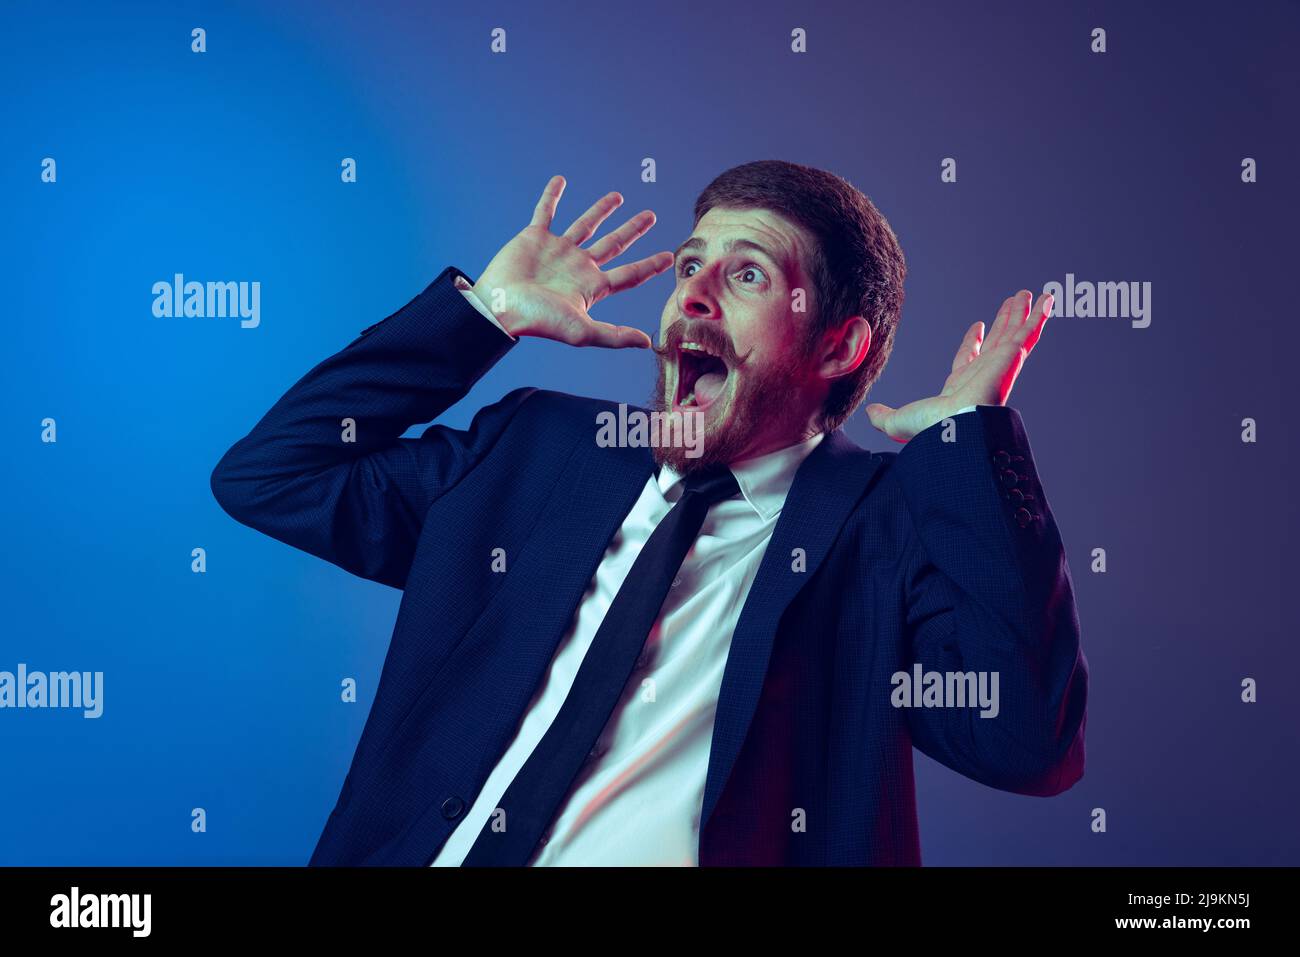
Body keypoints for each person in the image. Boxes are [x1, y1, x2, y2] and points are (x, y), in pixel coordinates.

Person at [210, 159, 1087, 866]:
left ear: (838, 346)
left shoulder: (888, 528)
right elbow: (273, 476)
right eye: (689, 266)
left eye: (747, 274)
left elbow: (1025, 744)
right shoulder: (539, 451)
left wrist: (972, 444)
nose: (694, 296)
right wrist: (486, 315)